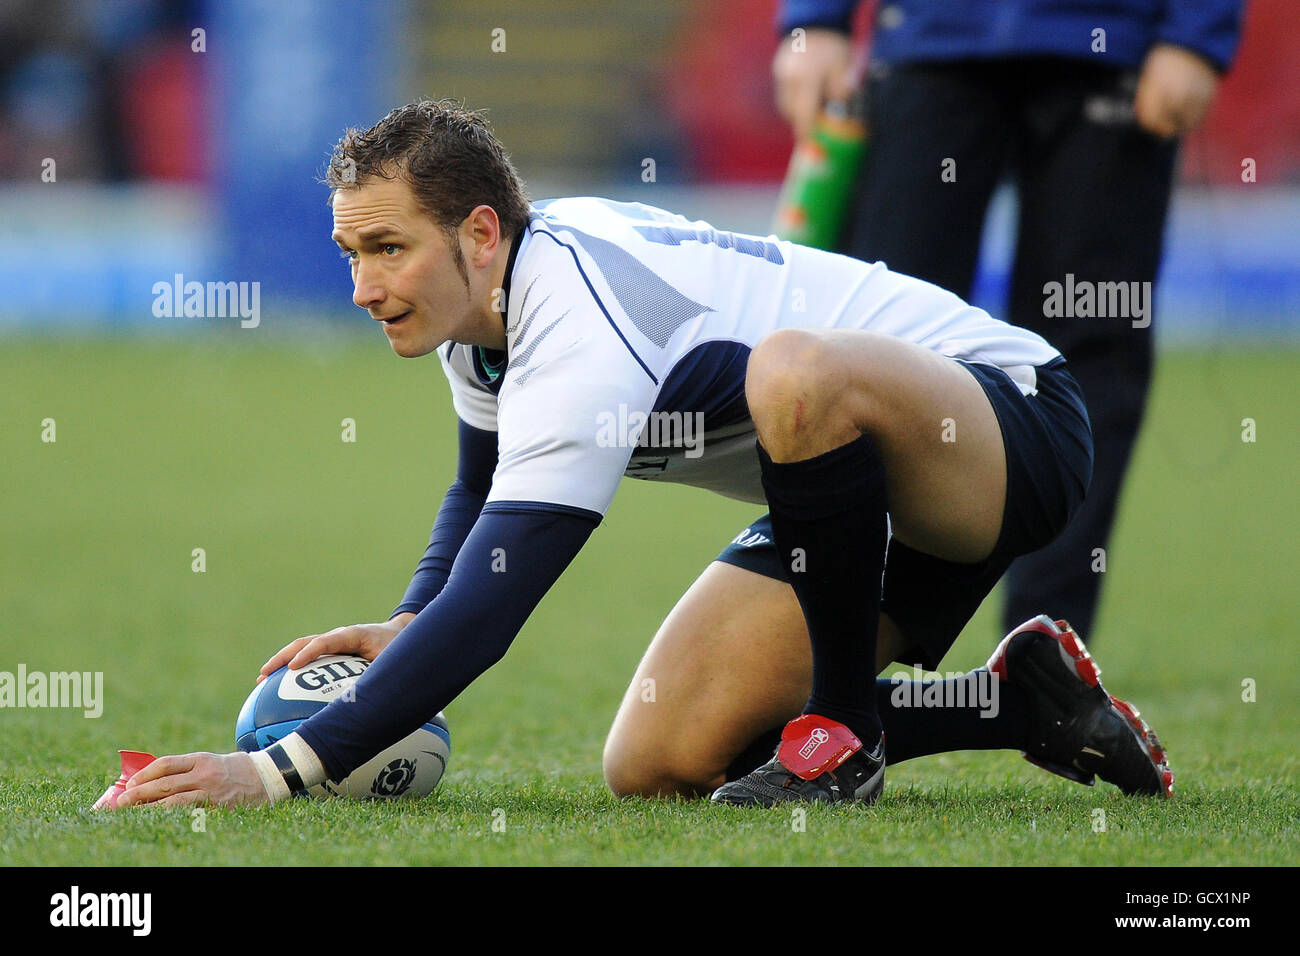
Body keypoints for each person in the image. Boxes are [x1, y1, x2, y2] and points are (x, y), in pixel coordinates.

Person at [117, 99, 1169, 809]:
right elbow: (478, 494)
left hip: (1009, 422)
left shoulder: (573, 310)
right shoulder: (486, 321)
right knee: (660, 758)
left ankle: (842, 735)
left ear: (481, 232)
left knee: (792, 372)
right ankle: (1009, 700)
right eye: (352, 252)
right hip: (848, 495)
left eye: (388, 248)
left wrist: (279, 772)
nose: (363, 286)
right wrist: (408, 615)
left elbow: (498, 601)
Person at [772, 0, 1243, 642]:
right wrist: (815, 20)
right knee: (868, 351)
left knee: (1090, 349)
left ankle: (1045, 647)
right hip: (927, 42)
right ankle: (833, 636)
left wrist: (1196, 31)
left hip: (1113, 49)